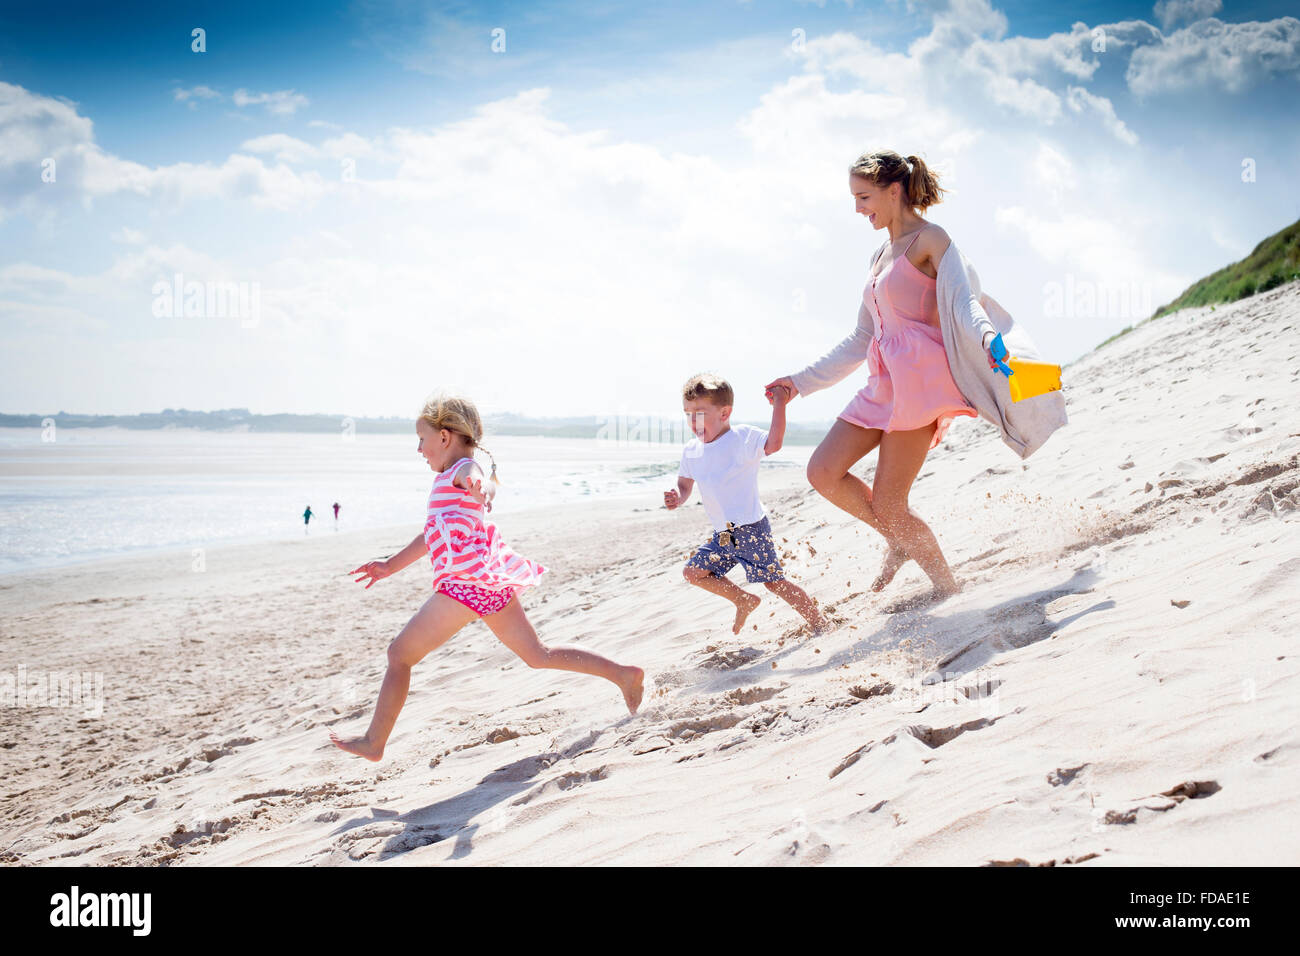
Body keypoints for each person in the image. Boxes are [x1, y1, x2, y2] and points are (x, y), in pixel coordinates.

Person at [766, 149, 1032, 612]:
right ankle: (900, 538)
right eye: (854, 198)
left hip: (921, 387)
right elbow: (862, 337)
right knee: (823, 471)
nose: (857, 208)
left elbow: (964, 300)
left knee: (891, 504)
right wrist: (799, 382)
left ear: (894, 191)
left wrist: (988, 336)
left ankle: (948, 589)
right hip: (883, 385)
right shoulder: (879, 255)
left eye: (864, 197)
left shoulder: (932, 238)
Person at [331, 393, 644, 762]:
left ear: (444, 437)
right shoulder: (449, 478)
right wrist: (389, 565)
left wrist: (481, 487)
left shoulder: (462, 471)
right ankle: (623, 675)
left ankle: (374, 742)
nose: (419, 449)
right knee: (538, 654)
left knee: (399, 655)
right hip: (487, 585)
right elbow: (430, 535)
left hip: (463, 586)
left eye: (421, 439)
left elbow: (478, 479)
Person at [664, 373, 832, 637]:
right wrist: (677, 496)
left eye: (700, 414)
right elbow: (685, 484)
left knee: (774, 583)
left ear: (724, 413)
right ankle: (743, 599)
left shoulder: (742, 438)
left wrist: (780, 403)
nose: (693, 422)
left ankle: (820, 623)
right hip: (726, 533)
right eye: (688, 415)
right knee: (693, 572)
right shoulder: (692, 450)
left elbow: (774, 443)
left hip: (751, 528)